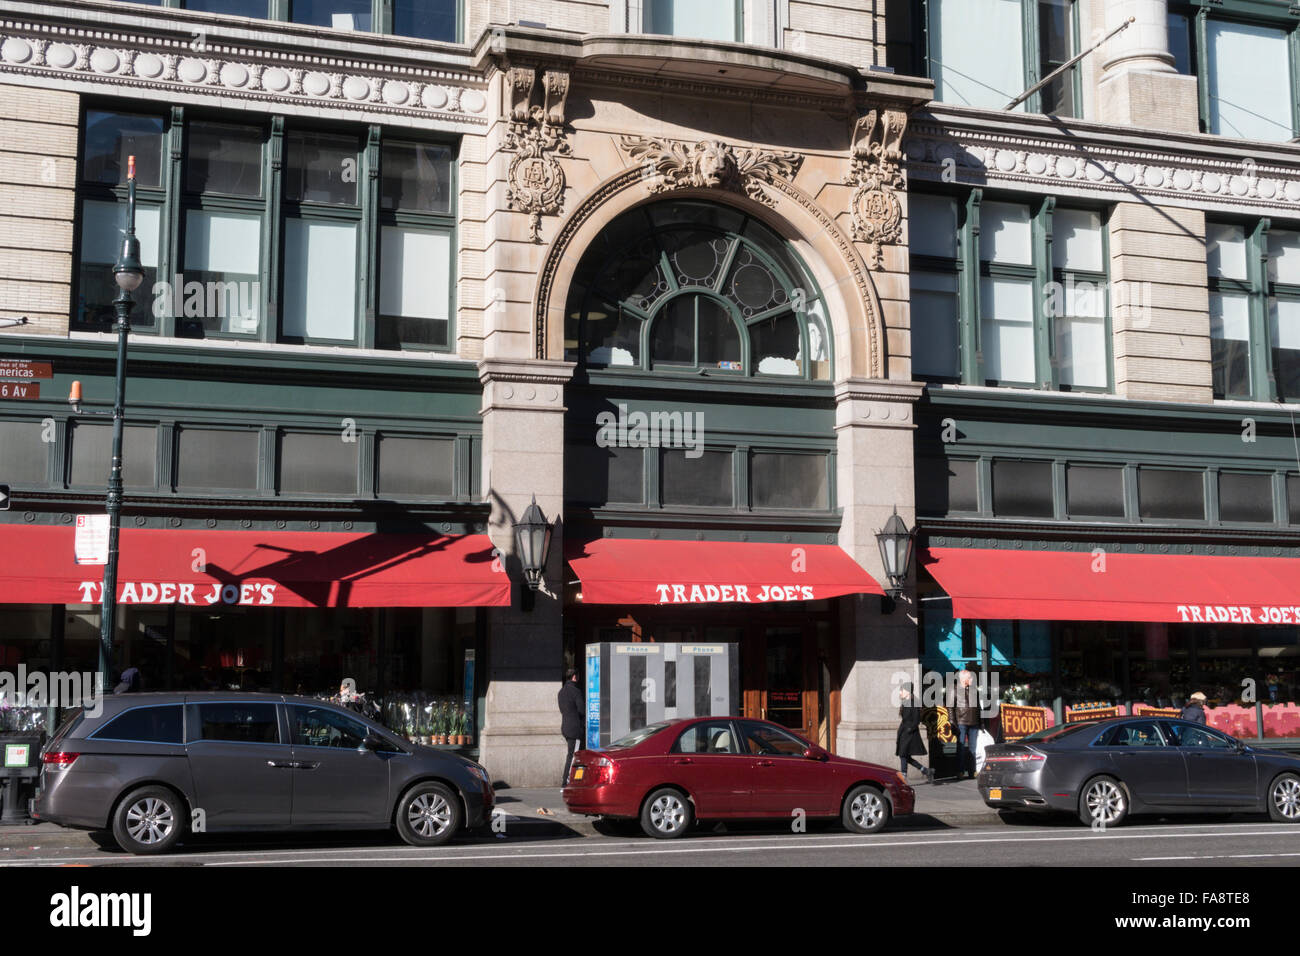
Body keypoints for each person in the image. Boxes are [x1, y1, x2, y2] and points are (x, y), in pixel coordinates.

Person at [896, 683, 934, 783]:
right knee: (904, 755)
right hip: (904, 732)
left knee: (903, 754)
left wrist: (909, 729)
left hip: (909, 734)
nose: (900, 692)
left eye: (902, 690)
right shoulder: (905, 703)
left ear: (908, 691)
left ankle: (903, 776)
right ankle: (926, 771)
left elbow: (916, 720)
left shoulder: (914, 703)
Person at [947, 669, 982, 779]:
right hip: (961, 722)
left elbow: (978, 707)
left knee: (973, 748)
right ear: (964, 679)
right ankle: (960, 771)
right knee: (961, 747)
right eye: (970, 678)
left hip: (974, 722)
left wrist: (981, 722)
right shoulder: (954, 689)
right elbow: (950, 707)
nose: (972, 679)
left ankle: (972, 771)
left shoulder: (973, 690)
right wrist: (953, 723)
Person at [558, 669, 584, 786]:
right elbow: (581, 710)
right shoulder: (576, 691)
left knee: (571, 753)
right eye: (577, 676)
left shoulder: (561, 692)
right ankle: (566, 781)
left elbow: (562, 709)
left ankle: (571, 779)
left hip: (565, 726)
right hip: (575, 728)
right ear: (574, 677)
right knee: (573, 755)